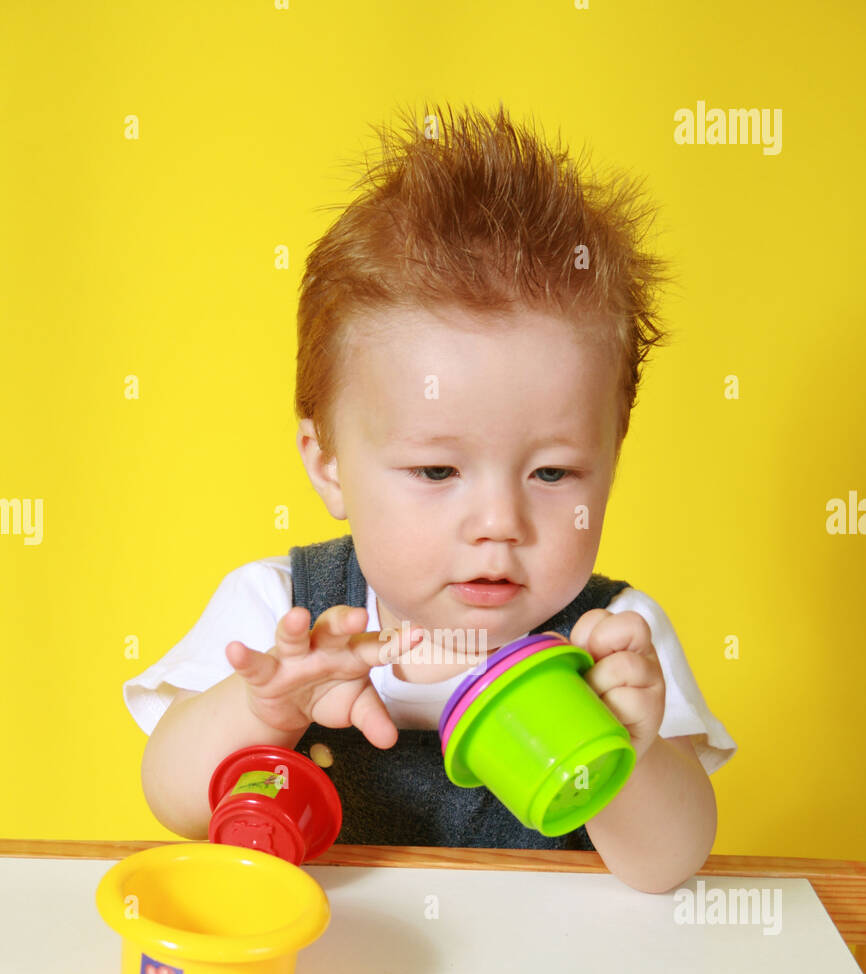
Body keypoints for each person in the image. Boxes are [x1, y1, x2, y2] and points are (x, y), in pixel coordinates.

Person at [124, 102, 735, 891]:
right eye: (438, 473)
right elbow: (171, 801)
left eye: (551, 474)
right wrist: (262, 710)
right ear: (331, 465)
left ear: (612, 462)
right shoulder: (284, 616)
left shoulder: (614, 643)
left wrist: (635, 748)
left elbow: (669, 866)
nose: (498, 525)